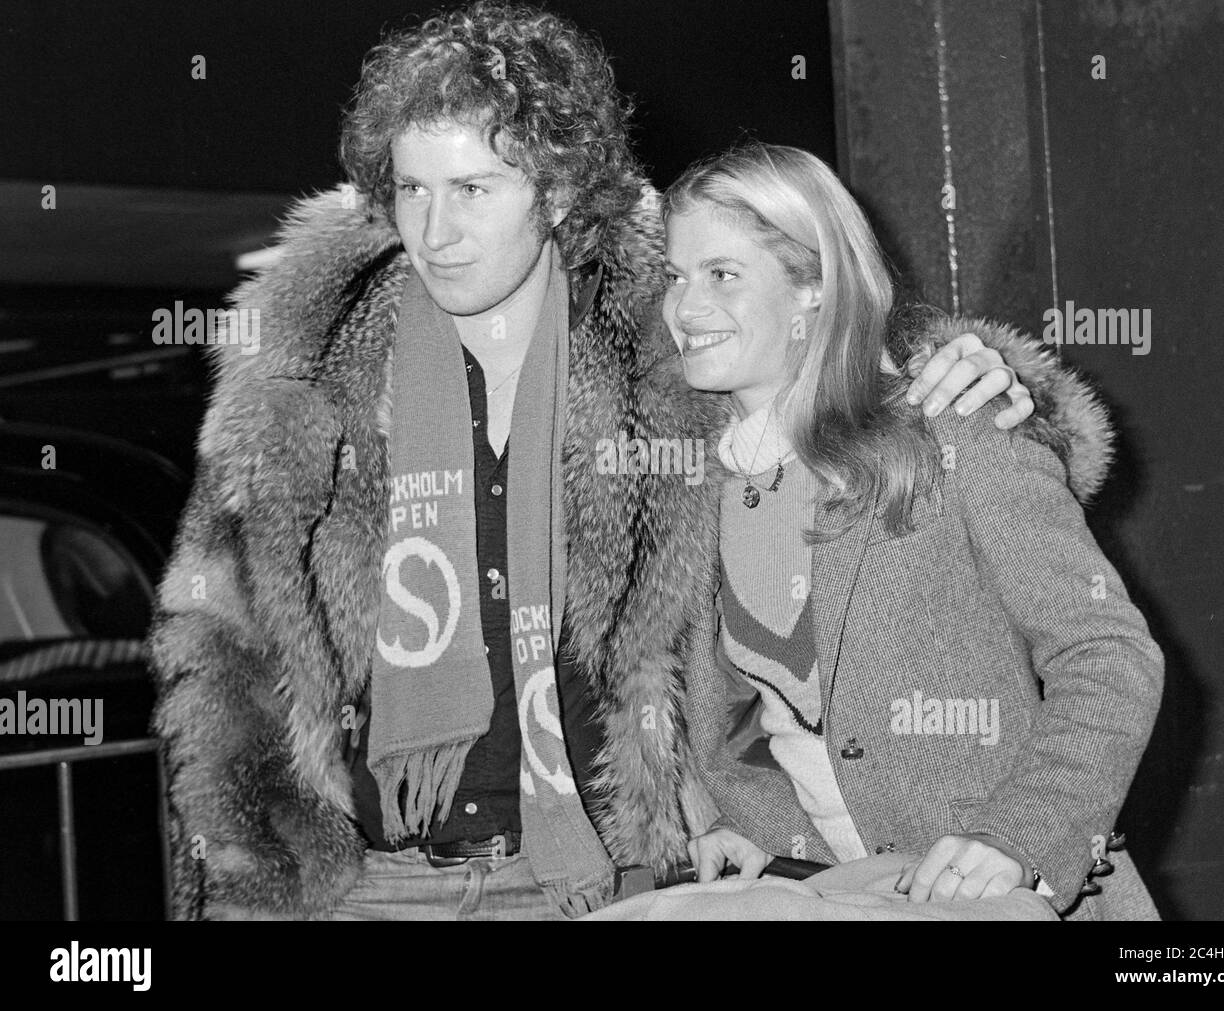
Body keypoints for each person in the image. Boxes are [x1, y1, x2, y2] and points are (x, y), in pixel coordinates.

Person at [149, 2, 1063, 921]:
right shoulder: (312, 352)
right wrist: (249, 877)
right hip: (369, 884)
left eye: (473, 189)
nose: (435, 232)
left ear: (553, 192)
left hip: (597, 873)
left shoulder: (661, 326)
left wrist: (993, 376)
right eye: (412, 189)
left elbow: (832, 344)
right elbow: (220, 628)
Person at [667, 143, 1163, 920]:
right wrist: (747, 821)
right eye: (675, 276)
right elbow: (745, 722)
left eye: (721, 274)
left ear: (813, 287)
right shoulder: (700, 484)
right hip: (828, 895)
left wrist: (1018, 838)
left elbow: (1109, 655)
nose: (684, 308)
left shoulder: (954, 424)